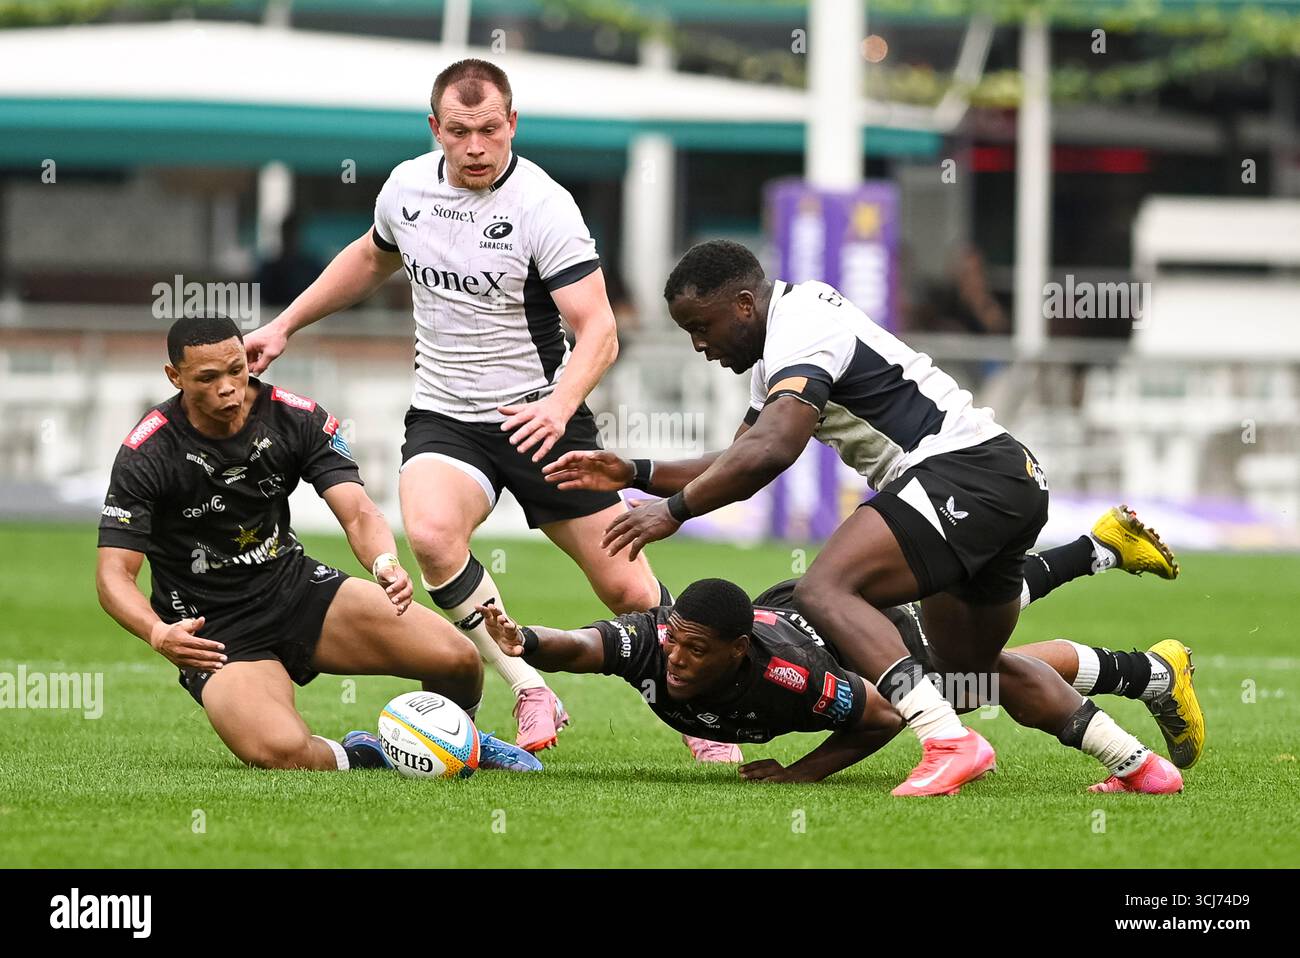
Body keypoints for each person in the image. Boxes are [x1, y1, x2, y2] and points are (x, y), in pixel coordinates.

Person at [541, 239, 1188, 795]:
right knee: (966, 671)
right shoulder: (774, 356)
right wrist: (635, 472)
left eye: (701, 326)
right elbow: (740, 456)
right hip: (1007, 481)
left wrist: (671, 513)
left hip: (962, 470)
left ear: (744, 304)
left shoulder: (801, 321)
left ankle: (946, 744)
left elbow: (773, 452)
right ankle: (1136, 764)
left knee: (825, 590)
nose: (699, 345)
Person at [239, 59, 723, 759]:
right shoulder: (406, 189)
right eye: (459, 131)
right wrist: (285, 325)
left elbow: (600, 330)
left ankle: (695, 714)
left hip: (542, 418)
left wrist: (559, 406)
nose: (474, 146)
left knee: (625, 584)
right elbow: (373, 258)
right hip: (445, 415)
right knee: (432, 535)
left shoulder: (543, 206)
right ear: (436, 129)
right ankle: (528, 683)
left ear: (512, 125)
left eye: (489, 130)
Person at [96, 315, 540, 773]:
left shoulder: (295, 417)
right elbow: (114, 575)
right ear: (175, 377)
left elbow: (358, 511)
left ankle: (461, 745)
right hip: (213, 629)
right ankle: (368, 754)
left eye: (236, 370)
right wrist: (157, 632)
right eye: (207, 378)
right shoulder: (147, 452)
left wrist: (384, 562)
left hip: (295, 588)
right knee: (282, 752)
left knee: (457, 659)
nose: (227, 387)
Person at [474, 575, 1193, 792]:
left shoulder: (790, 678)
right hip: (806, 606)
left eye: (696, 653)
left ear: (738, 651)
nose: (676, 663)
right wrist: (529, 641)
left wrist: (800, 774)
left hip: (878, 637)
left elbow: (880, 718)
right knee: (995, 663)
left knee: (986, 670)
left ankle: (1105, 566)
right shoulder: (658, 640)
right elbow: (584, 645)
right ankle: (1152, 669)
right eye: (673, 647)